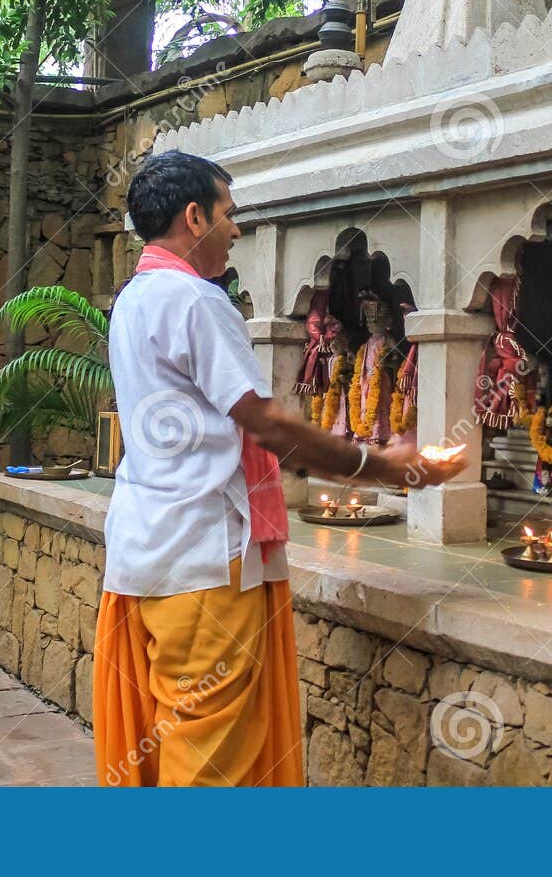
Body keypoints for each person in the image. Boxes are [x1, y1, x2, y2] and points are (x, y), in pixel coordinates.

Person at [93, 150, 467, 787]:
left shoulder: (135, 299)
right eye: (230, 215)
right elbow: (266, 423)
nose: (237, 231)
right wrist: (382, 466)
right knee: (211, 764)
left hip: (151, 549)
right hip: (205, 560)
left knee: (182, 736)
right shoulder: (195, 301)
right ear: (195, 216)